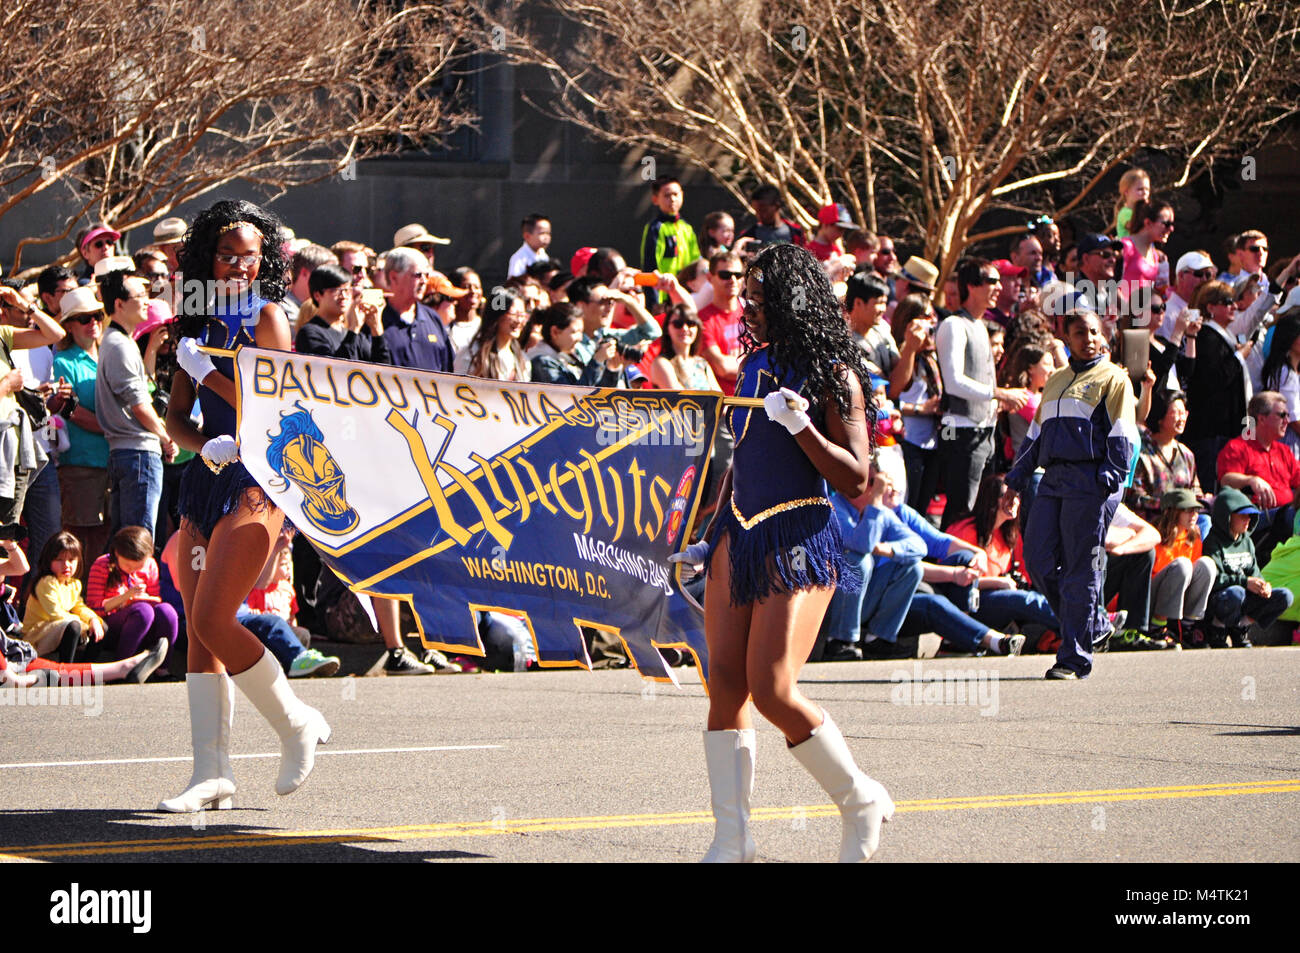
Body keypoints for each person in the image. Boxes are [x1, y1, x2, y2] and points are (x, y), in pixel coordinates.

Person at [669, 242, 891, 864]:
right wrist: (708, 528)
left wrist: (802, 427)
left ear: (796, 302)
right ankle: (732, 838)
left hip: (797, 537)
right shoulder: (753, 364)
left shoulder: (834, 372)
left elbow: (854, 477)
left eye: (764, 299)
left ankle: (858, 799)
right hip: (736, 536)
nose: (750, 308)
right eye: (750, 298)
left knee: (771, 690)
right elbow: (743, 458)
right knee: (724, 687)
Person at [160, 199, 330, 813]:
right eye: (226, 255)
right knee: (199, 636)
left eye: (248, 256)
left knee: (212, 618)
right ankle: (212, 771)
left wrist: (207, 374)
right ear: (207, 257)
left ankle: (295, 724)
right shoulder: (194, 322)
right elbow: (176, 421)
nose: (236, 266)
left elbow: (277, 410)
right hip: (207, 478)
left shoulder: (268, 316)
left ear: (266, 262)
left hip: (261, 478)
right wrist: (203, 444)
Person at [1007, 306, 1139, 679]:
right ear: (1067, 338)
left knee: (1081, 571)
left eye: (1094, 332)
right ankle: (1092, 623)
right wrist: (1015, 480)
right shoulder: (1056, 379)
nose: (1089, 339)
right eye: (1080, 333)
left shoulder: (1114, 379)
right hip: (1053, 479)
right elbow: (1035, 438)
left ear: (1104, 336)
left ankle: (1073, 659)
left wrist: (1107, 480)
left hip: (1092, 481)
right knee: (1037, 560)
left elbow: (1123, 435)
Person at [935, 258, 1028, 527]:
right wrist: (999, 394)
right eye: (992, 281)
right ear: (972, 286)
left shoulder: (979, 325)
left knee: (980, 510)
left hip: (985, 434)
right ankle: (951, 566)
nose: (999, 288)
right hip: (962, 433)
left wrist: (997, 404)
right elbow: (953, 383)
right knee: (961, 510)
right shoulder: (954, 325)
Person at [95, 270, 177, 537]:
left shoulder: (117, 341)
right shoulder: (119, 345)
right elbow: (140, 405)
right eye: (140, 295)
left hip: (128, 454)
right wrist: (166, 437)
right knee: (137, 542)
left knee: (126, 540)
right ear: (119, 304)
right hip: (138, 454)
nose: (147, 301)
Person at [823, 460, 924, 661]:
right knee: (859, 560)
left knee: (913, 568)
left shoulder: (881, 513)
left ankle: (877, 640)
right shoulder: (834, 507)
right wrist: (876, 498)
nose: (876, 488)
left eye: (876, 482)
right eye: (871, 482)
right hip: (828, 606)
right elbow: (861, 544)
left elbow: (919, 546)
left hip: (862, 600)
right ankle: (840, 642)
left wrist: (887, 549)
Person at [1216, 390, 1300, 564]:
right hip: (1256, 518)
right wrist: (1250, 479)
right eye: (1282, 415)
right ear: (1261, 418)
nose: (1287, 421)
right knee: (1293, 514)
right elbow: (1225, 480)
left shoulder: (1283, 451)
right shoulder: (1238, 447)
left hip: (1285, 514)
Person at [1202, 488, 1293, 648]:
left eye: (1250, 515)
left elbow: (1254, 572)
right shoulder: (1213, 542)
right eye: (1242, 516)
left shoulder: (1247, 542)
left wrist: (1263, 585)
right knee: (1236, 592)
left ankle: (1241, 626)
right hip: (1223, 599)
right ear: (1227, 517)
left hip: (1244, 596)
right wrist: (1245, 582)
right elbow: (1215, 580)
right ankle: (1218, 628)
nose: (1248, 520)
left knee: (1285, 596)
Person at [85, 525, 179, 667]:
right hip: (113, 626)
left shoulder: (150, 564)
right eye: (128, 566)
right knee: (143, 610)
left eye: (138, 567)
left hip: (144, 623)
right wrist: (126, 597)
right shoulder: (102, 565)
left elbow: (156, 598)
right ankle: (122, 665)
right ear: (117, 554)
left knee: (167, 611)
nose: (133, 570)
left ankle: (163, 668)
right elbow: (94, 607)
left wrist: (143, 598)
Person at [888, 293, 943, 514]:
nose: (931, 324)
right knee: (907, 508)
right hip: (909, 443)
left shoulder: (931, 358)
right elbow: (893, 395)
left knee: (922, 508)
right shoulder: (904, 355)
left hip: (932, 443)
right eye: (926, 316)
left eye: (933, 317)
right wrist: (922, 409)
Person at [22, 531, 107, 662]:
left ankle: (85, 667)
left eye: (71, 560)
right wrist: (85, 626)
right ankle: (66, 671)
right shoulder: (47, 582)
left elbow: (79, 607)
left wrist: (92, 620)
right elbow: (55, 613)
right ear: (49, 561)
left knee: (101, 626)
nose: (66, 565)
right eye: (59, 560)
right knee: (73, 626)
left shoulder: (74, 584)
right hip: (37, 635)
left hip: (57, 630)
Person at [1149, 489, 1218, 648]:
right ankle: (1157, 627)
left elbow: (1194, 575)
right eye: (1187, 510)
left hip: (1178, 596)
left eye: (1196, 510)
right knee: (1182, 565)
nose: (1194, 515)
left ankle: (1187, 626)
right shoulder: (1156, 533)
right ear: (1172, 512)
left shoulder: (1193, 535)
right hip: (1152, 597)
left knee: (1206, 564)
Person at [293, 265, 388, 363]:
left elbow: (382, 369)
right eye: (335, 290)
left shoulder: (354, 335)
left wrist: (376, 330)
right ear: (317, 295)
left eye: (347, 290)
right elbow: (335, 371)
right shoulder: (309, 333)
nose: (343, 296)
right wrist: (353, 329)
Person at [639, 176, 700, 308]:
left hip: (686, 294)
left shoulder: (687, 228)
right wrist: (654, 302)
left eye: (675, 194)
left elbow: (696, 262)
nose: (672, 199)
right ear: (655, 199)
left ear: (682, 195)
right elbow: (650, 266)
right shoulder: (655, 228)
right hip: (664, 297)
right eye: (667, 195)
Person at [529, 303, 617, 386]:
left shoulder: (567, 355)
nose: (580, 338)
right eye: (575, 332)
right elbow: (572, 397)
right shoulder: (542, 362)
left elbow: (598, 392)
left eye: (581, 332)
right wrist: (597, 361)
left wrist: (612, 367)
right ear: (555, 332)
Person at [454, 286, 530, 381]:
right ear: (497, 315)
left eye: (523, 315)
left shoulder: (522, 359)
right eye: (514, 314)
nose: (519, 320)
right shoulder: (472, 354)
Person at [649, 305, 719, 390]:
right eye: (678, 324)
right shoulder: (661, 363)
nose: (685, 329)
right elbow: (680, 398)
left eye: (690, 323)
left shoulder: (702, 363)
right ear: (667, 329)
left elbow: (719, 396)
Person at [507, 213, 552, 278]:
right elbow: (513, 284)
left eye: (548, 233)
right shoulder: (519, 258)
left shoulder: (544, 255)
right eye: (542, 233)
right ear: (527, 236)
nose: (546, 237)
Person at [1111, 168, 1151, 239]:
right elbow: (1139, 228)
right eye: (1140, 189)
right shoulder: (1125, 213)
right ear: (1126, 192)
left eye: (1147, 189)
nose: (1145, 193)